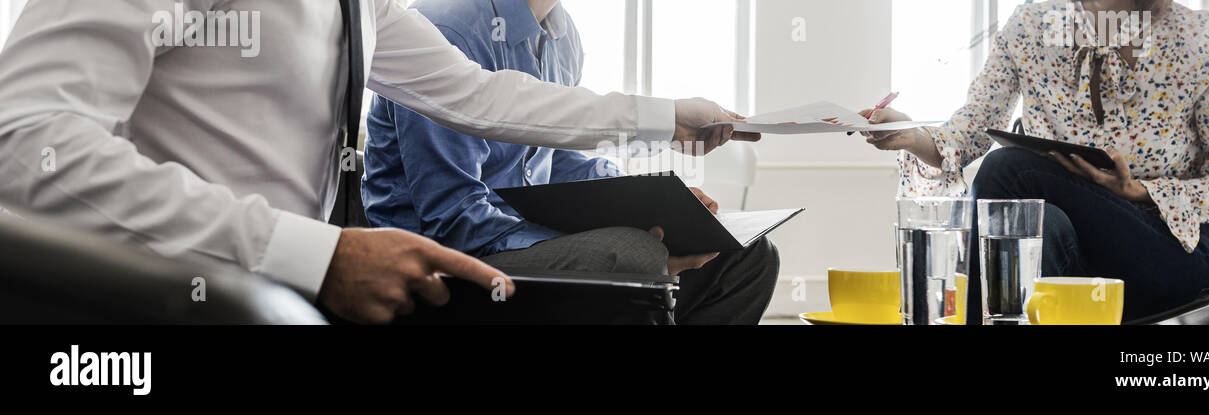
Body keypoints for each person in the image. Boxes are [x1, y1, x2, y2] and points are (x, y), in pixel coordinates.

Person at [0, 0, 757, 324]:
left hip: (302, 291)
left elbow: (480, 96)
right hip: (191, 299)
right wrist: (314, 254)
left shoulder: (364, 5)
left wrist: (660, 116)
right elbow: (24, 140)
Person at [363, 0, 780, 324]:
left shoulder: (562, 36)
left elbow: (559, 163)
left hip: (514, 242)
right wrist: (610, 234)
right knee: (634, 252)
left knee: (747, 256)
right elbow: (453, 220)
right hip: (443, 265)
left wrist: (651, 203)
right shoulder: (447, 25)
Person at [862, 0, 1209, 320]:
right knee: (1035, 223)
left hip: (1170, 257)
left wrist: (1138, 191)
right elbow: (969, 131)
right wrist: (910, 136)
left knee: (1007, 168)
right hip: (1070, 262)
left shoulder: (1199, 37)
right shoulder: (1033, 25)